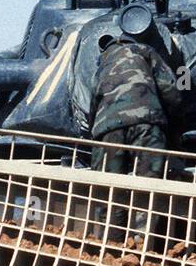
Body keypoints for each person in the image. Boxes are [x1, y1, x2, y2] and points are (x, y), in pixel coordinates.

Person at [75, 35, 181, 176]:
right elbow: (170, 90)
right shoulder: (144, 50)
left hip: (107, 128)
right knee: (149, 184)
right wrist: (175, 130)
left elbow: (93, 105)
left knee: (105, 187)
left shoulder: (102, 68)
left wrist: (95, 133)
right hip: (146, 121)